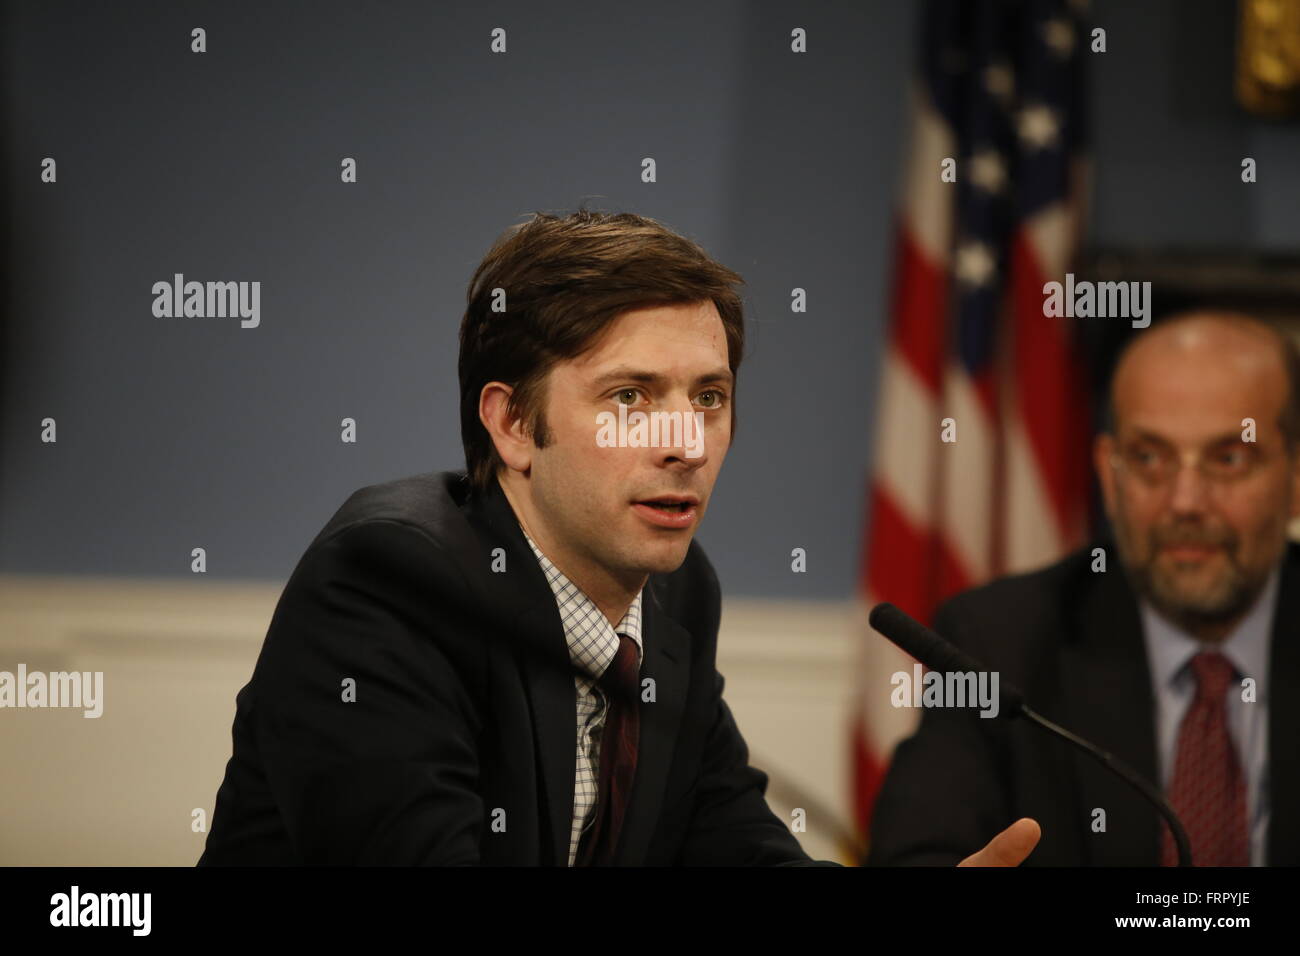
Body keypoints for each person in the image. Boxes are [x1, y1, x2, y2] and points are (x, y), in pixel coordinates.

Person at [868, 311, 1300, 866]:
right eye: (1149, 458)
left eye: (1229, 458)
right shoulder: (999, 643)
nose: (1185, 502)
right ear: (1109, 474)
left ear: (1293, 479)